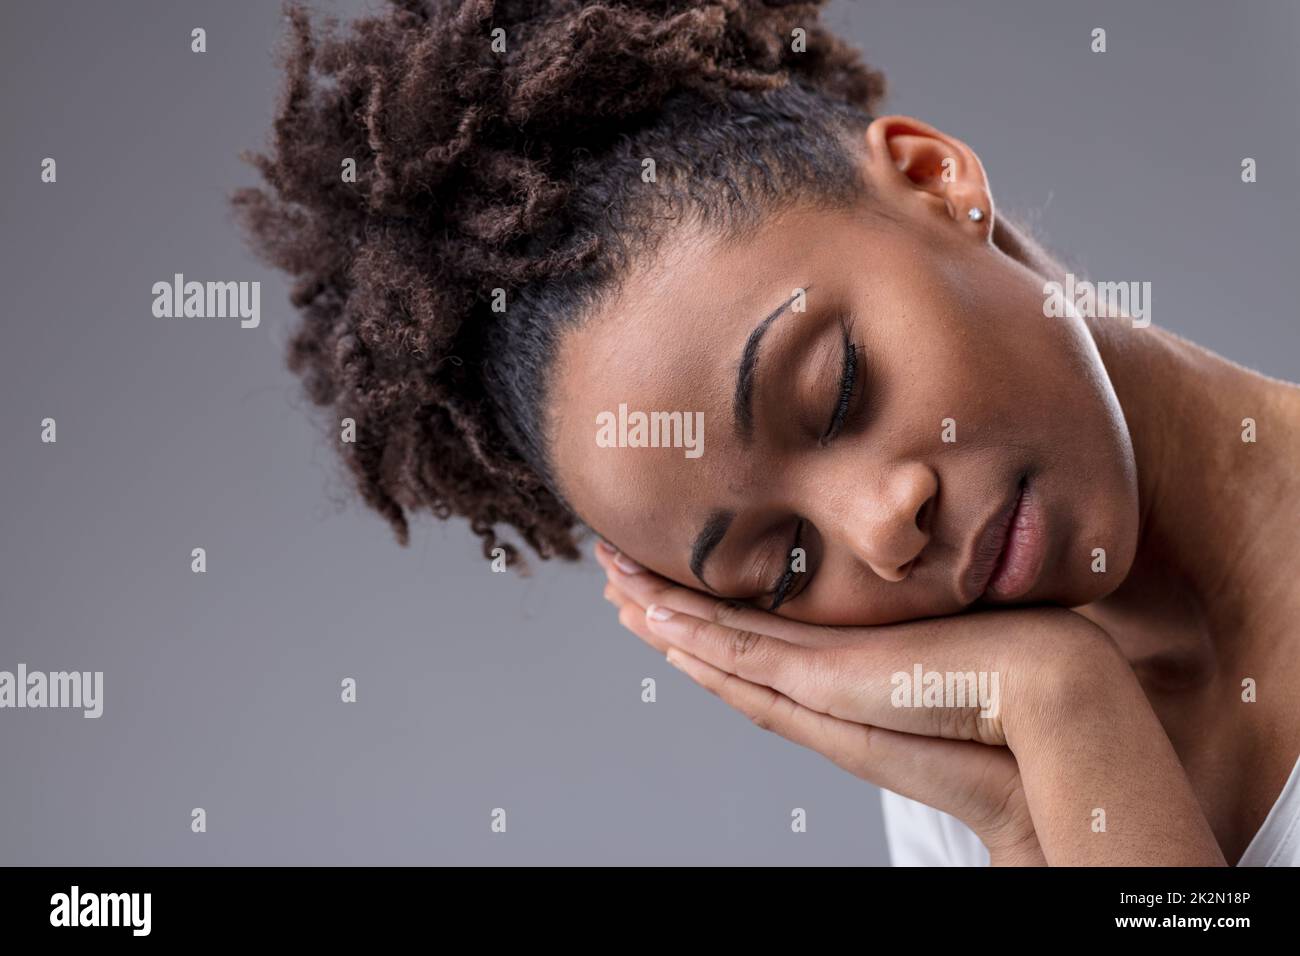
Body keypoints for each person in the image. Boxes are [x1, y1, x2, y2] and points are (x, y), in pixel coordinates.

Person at [235, 0, 1300, 865]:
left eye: (837, 392)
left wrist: (1073, 723)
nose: (885, 530)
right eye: (786, 561)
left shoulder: (1038, 712)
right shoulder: (990, 757)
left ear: (934, 180)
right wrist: (1043, 796)